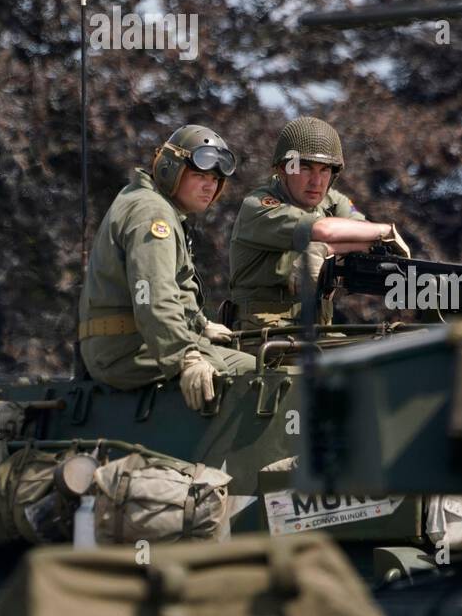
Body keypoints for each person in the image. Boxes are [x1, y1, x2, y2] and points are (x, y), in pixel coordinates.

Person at [78, 124, 257, 408]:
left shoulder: (148, 202)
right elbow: (153, 296)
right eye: (199, 175)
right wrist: (186, 357)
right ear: (170, 170)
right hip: (126, 352)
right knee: (247, 374)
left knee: (246, 360)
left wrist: (200, 325)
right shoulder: (153, 214)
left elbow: (170, 291)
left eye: (214, 179)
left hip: (126, 345)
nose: (209, 186)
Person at [229, 116, 411, 331]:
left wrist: (325, 250)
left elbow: (372, 243)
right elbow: (324, 230)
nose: (316, 181)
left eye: (324, 170)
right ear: (282, 169)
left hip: (318, 330)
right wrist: (385, 230)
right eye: (305, 168)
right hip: (263, 335)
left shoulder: (332, 203)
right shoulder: (260, 205)